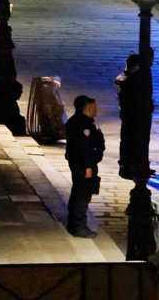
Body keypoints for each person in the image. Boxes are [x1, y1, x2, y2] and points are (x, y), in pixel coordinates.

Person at [65, 95, 105, 238]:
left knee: (78, 192)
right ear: (88, 108)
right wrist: (88, 167)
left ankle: (74, 224)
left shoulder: (77, 122)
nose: (97, 110)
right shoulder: (83, 126)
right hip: (83, 166)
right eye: (94, 107)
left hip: (80, 164)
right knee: (82, 195)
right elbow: (84, 148)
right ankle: (79, 226)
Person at [115, 51, 154, 179]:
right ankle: (127, 167)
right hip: (132, 115)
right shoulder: (129, 80)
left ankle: (131, 165)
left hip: (130, 115)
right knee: (130, 141)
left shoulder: (122, 78)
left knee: (130, 140)